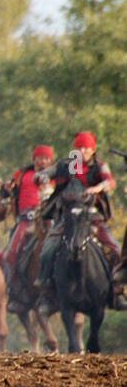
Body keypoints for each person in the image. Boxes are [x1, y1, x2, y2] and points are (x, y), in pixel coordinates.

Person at [37, 132, 120, 311]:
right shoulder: (67, 165)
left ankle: (117, 290)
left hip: (92, 217)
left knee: (115, 248)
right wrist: (42, 177)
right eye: (79, 148)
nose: (82, 151)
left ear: (93, 150)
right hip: (67, 217)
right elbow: (47, 173)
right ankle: (47, 291)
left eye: (86, 148)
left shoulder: (100, 166)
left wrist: (97, 188)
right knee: (47, 249)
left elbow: (110, 182)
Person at [0, 145, 55, 275]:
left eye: (46, 159)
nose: (43, 162)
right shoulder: (22, 174)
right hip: (26, 220)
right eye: (40, 158)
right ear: (34, 159)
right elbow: (7, 192)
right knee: (12, 251)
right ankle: (10, 282)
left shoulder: (56, 176)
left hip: (50, 220)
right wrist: (7, 188)